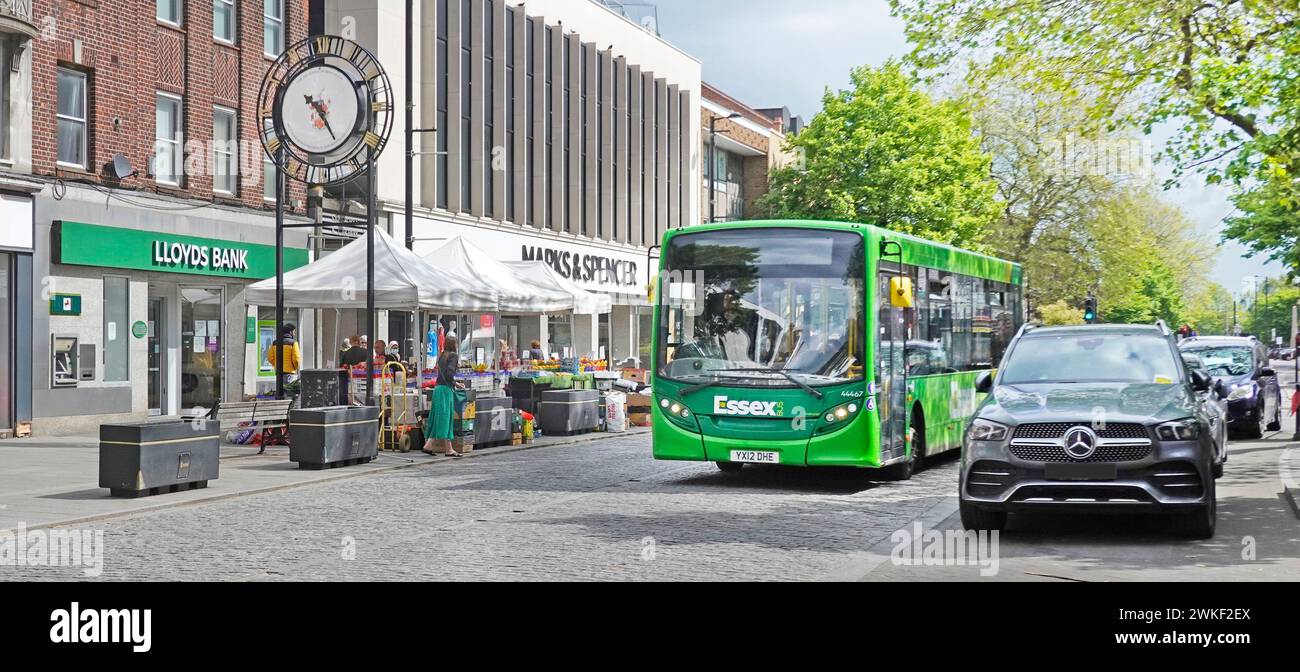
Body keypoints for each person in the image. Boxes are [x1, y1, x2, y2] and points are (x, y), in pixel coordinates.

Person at [423, 335, 463, 457]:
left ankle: (430, 445)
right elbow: (450, 373)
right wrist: (456, 383)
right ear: (454, 345)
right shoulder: (453, 356)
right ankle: (448, 449)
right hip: (446, 391)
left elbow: (442, 373)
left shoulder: (441, 356)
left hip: (437, 389)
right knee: (446, 419)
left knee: (437, 419)